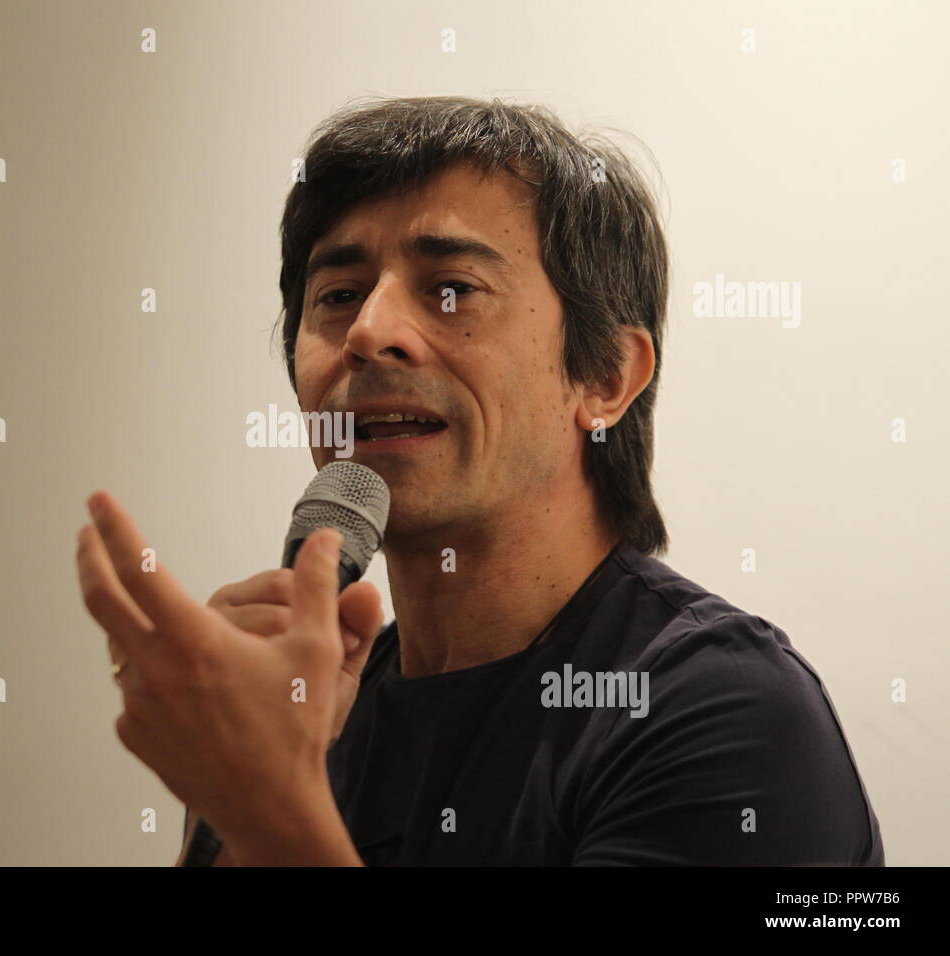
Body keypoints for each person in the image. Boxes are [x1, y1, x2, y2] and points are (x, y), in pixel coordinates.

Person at [77, 96, 883, 866]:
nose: (368, 332)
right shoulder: (316, 714)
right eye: (340, 295)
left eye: (450, 289)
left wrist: (266, 806)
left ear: (605, 375)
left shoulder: (724, 712)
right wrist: (230, 807)